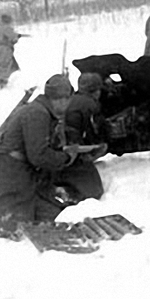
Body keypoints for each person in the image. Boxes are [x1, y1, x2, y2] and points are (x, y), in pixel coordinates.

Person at [0, 74, 88, 223]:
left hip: (15, 174)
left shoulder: (38, 110)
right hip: (11, 176)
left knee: (49, 214)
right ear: (63, 99)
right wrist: (66, 157)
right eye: (67, 99)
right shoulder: (38, 114)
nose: (67, 104)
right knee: (15, 224)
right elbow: (38, 156)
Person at [54, 72, 109, 203]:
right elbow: (94, 133)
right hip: (71, 154)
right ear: (96, 91)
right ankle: (64, 192)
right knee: (94, 191)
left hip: (54, 150)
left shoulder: (70, 100)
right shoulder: (91, 105)